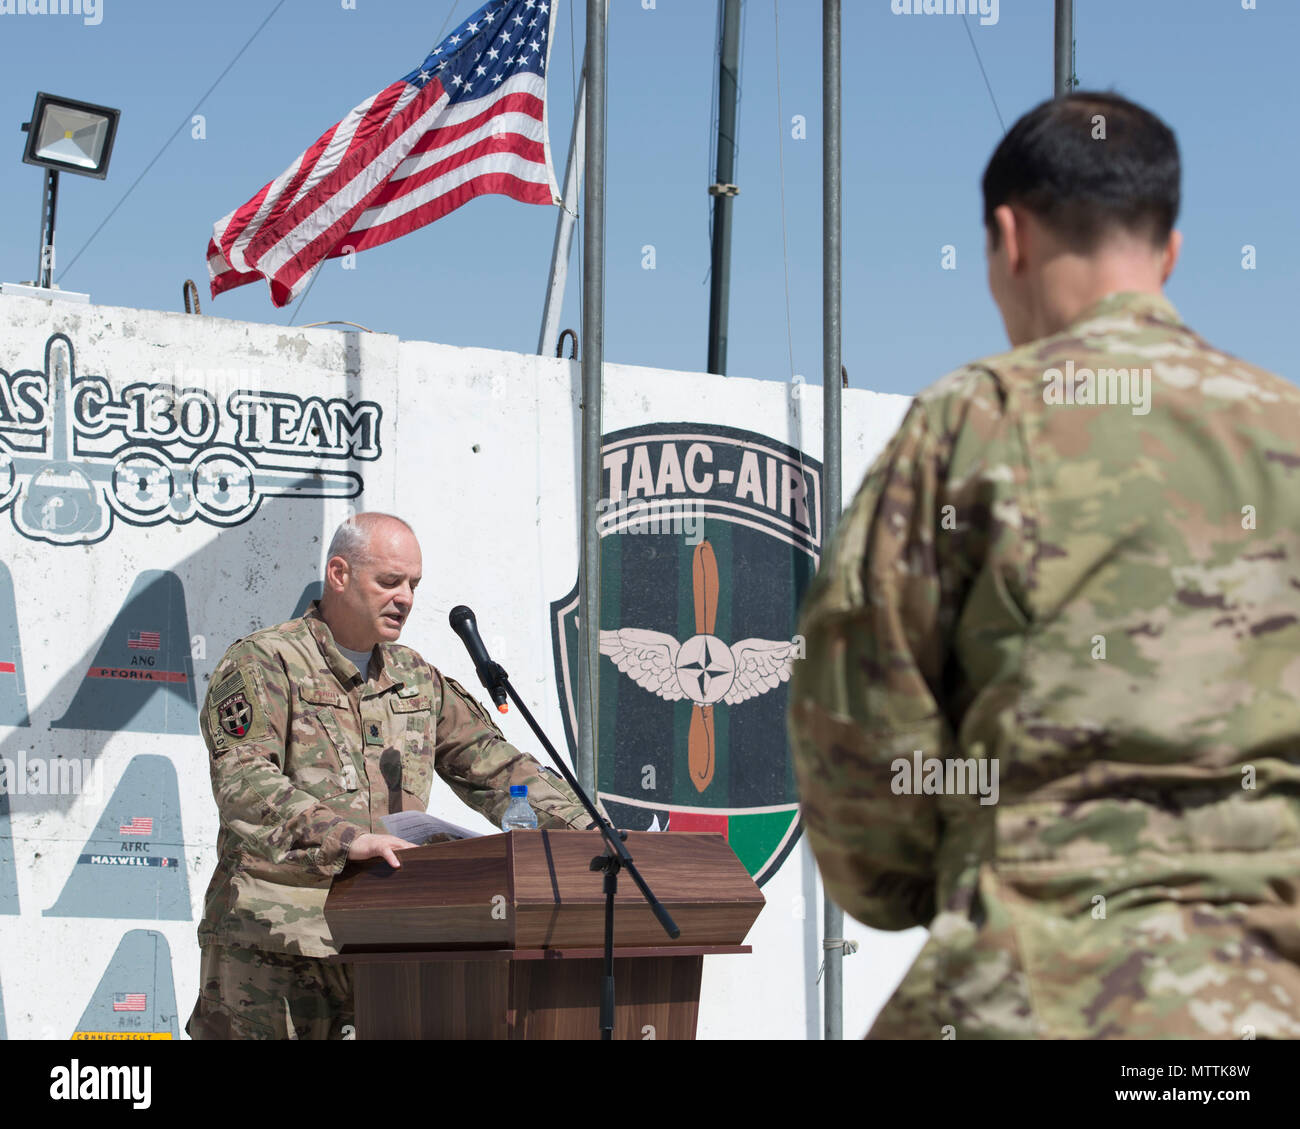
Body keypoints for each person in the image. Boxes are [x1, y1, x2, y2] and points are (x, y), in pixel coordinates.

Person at [789, 92, 1300, 1039]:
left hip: (1031, 987)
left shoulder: (972, 421)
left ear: (1007, 237)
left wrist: (916, 887)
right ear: (1171, 252)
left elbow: (861, 739)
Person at [186, 512, 595, 1039]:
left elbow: (497, 768)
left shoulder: (415, 678)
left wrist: (591, 834)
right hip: (275, 946)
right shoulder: (265, 662)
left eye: (413, 585)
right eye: (389, 581)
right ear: (339, 574)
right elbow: (243, 780)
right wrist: (346, 839)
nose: (404, 597)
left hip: (386, 941)